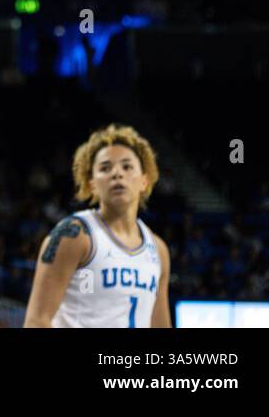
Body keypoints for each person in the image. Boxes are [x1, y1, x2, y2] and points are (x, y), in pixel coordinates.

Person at [24, 124, 171, 328]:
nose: (117, 174)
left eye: (127, 166)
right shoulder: (74, 234)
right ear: (92, 183)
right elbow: (37, 320)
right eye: (105, 168)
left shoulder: (158, 250)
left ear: (144, 181)